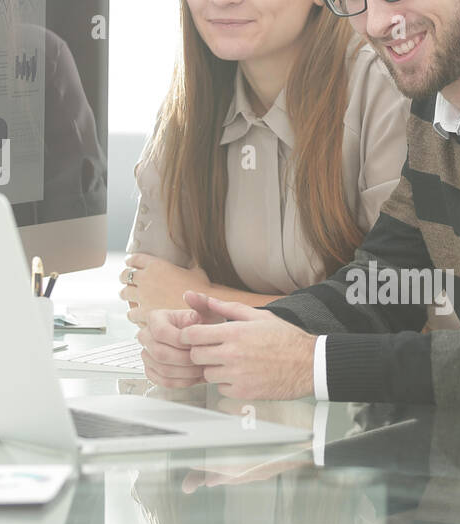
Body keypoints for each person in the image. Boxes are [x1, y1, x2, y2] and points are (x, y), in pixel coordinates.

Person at [137, 0, 460, 405]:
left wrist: (314, 365)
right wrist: (237, 335)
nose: (377, 22)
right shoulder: (435, 91)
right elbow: (386, 280)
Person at [121, 0, 408, 322]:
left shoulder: (389, 85)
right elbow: (150, 294)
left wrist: (212, 302)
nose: (221, 1)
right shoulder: (187, 109)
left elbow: (414, 310)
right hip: (222, 370)